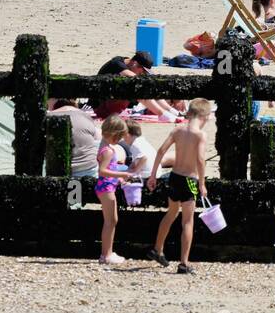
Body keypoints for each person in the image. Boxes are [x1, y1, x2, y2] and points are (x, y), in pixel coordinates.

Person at [146, 99, 213, 273]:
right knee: (188, 221)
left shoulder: (178, 129)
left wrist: (153, 175)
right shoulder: (200, 135)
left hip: (174, 177)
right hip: (189, 180)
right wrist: (202, 183)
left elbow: (161, 151)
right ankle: (183, 263)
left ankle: (157, 249)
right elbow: (200, 159)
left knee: (171, 212)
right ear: (204, 116)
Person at [91, 51, 183, 121]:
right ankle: (162, 114)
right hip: (99, 106)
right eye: (142, 70)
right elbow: (137, 80)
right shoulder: (117, 64)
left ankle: (172, 112)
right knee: (136, 86)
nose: (142, 73)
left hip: (120, 105)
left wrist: (171, 107)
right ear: (134, 63)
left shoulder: (131, 65)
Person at [94, 115, 134, 266]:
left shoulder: (105, 147)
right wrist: (122, 174)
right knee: (110, 221)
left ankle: (108, 252)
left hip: (108, 186)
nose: (119, 140)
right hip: (106, 188)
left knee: (112, 220)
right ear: (113, 134)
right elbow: (102, 171)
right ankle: (106, 254)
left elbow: (108, 169)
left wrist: (119, 179)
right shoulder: (108, 151)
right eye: (118, 136)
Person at [48, 98, 103, 178]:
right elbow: (97, 141)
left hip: (58, 172)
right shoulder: (86, 116)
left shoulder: (49, 117)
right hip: (88, 169)